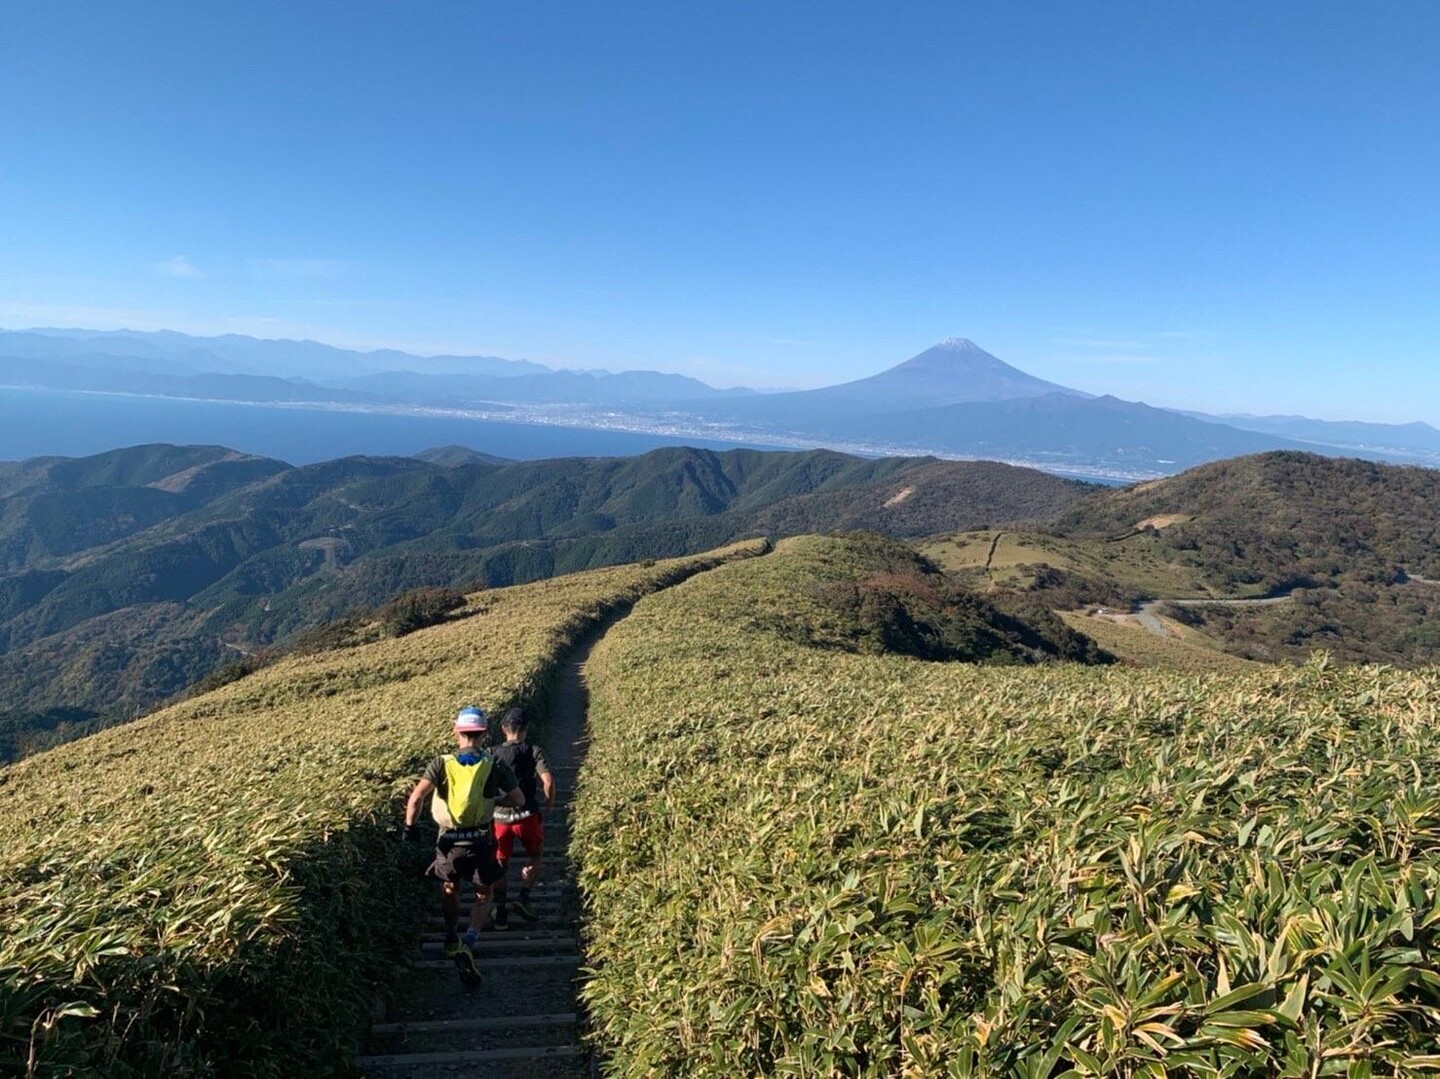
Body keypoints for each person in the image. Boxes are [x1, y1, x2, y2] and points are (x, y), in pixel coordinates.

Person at [403, 705, 523, 985]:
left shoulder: (440, 763)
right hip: (480, 839)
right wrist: (493, 802)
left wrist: (409, 829)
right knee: (485, 892)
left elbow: (416, 798)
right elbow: (517, 799)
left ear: (457, 732)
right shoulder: (494, 763)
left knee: (449, 887)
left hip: (448, 839)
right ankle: (469, 941)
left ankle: (450, 934)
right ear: (483, 734)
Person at [488, 706, 556, 929]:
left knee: (500, 864)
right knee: (535, 856)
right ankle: (523, 896)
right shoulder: (533, 750)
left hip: (499, 818)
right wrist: (549, 801)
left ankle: (500, 913)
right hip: (527, 815)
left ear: (503, 729)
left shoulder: (491, 752)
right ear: (526, 729)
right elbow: (548, 781)